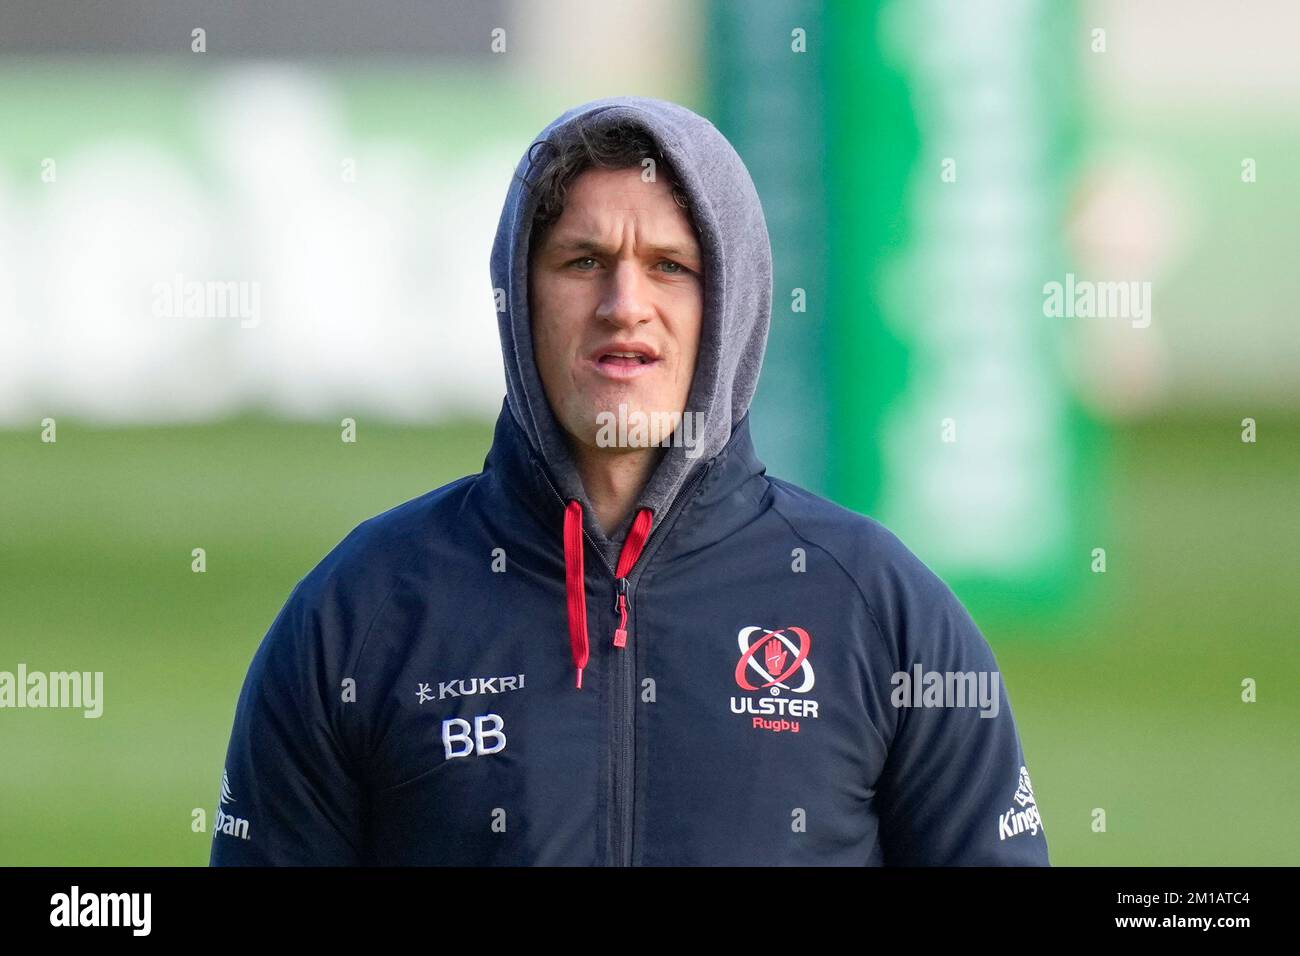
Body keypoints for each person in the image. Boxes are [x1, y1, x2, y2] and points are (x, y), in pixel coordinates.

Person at [210, 95, 1049, 866]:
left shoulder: (877, 607)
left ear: (732, 300)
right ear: (518, 296)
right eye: (582, 261)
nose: (624, 302)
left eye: (670, 266)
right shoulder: (363, 611)